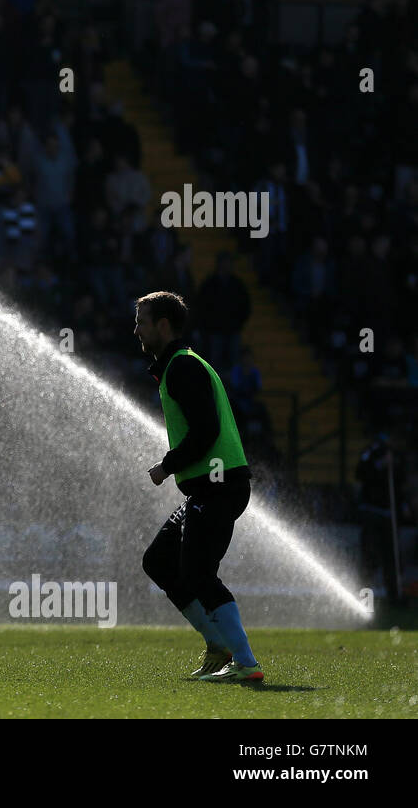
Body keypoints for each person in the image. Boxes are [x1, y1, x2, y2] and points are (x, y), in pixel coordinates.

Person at [134, 291, 262, 682]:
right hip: (206, 487)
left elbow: (206, 430)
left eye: (141, 320)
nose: (135, 328)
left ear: (163, 325)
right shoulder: (178, 366)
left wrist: (166, 466)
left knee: (199, 574)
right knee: (159, 561)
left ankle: (246, 663)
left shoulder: (183, 367)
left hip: (218, 485)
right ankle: (219, 646)